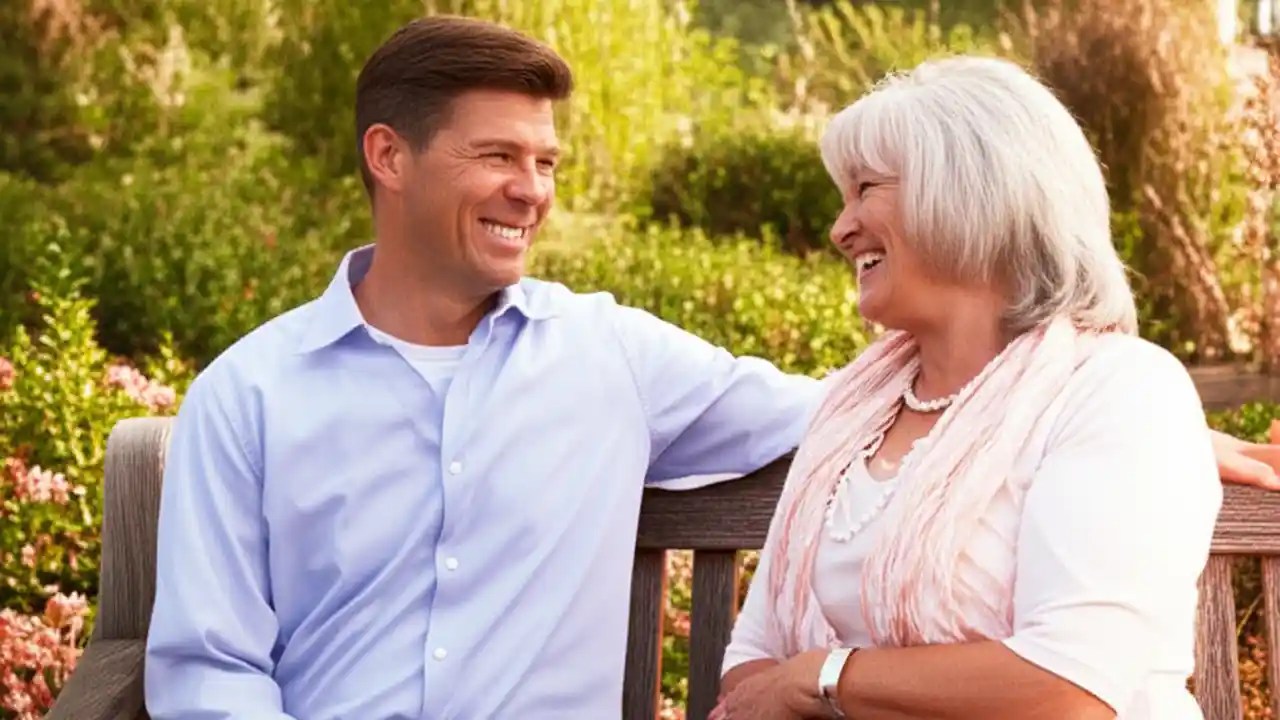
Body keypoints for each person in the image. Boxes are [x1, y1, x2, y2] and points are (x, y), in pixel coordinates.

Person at [143, 16, 1280, 720]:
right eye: (496, 155)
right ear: (386, 158)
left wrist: (1155, 427)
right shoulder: (248, 398)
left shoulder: (608, 357)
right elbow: (209, 674)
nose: (530, 190)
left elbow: (895, 412)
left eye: (543, 161)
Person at [712, 56, 1227, 720]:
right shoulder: (850, 408)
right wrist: (797, 685)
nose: (841, 230)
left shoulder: (1120, 391)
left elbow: (1069, 690)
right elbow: (752, 661)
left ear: (969, 194)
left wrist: (821, 682)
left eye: (866, 189)